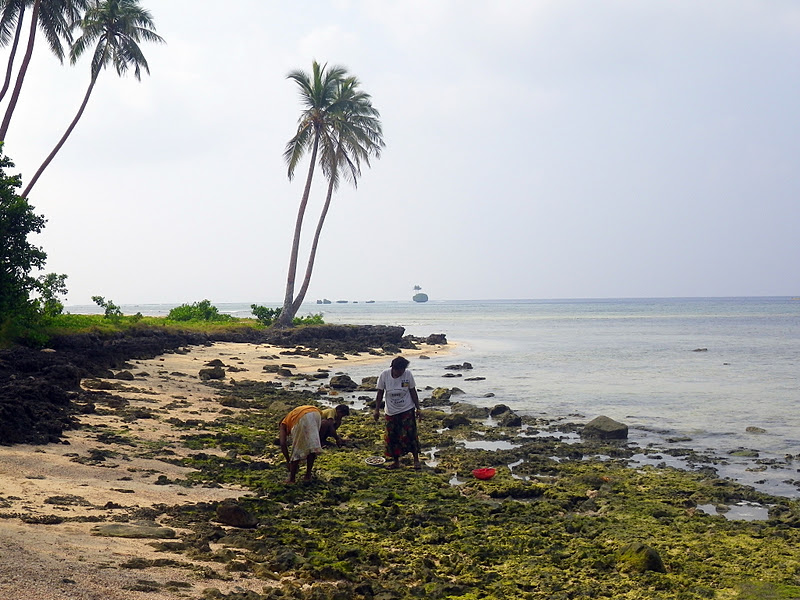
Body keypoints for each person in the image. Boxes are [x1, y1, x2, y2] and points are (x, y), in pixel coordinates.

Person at [373, 356, 422, 469]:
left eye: (403, 370)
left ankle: (416, 460)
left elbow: (413, 391)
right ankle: (396, 462)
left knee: (411, 435)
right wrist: (376, 410)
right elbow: (380, 393)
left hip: (407, 409)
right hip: (391, 411)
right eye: (399, 370)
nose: (401, 373)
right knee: (392, 437)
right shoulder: (384, 375)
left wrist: (418, 408)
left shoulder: (408, 374)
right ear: (393, 369)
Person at [279, 405, 323, 483]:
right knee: (312, 447)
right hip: (316, 413)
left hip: (302, 416)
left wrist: (288, 460)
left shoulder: (283, 424)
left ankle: (292, 479)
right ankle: (308, 475)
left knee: (297, 450)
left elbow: (282, 443)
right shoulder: (290, 417)